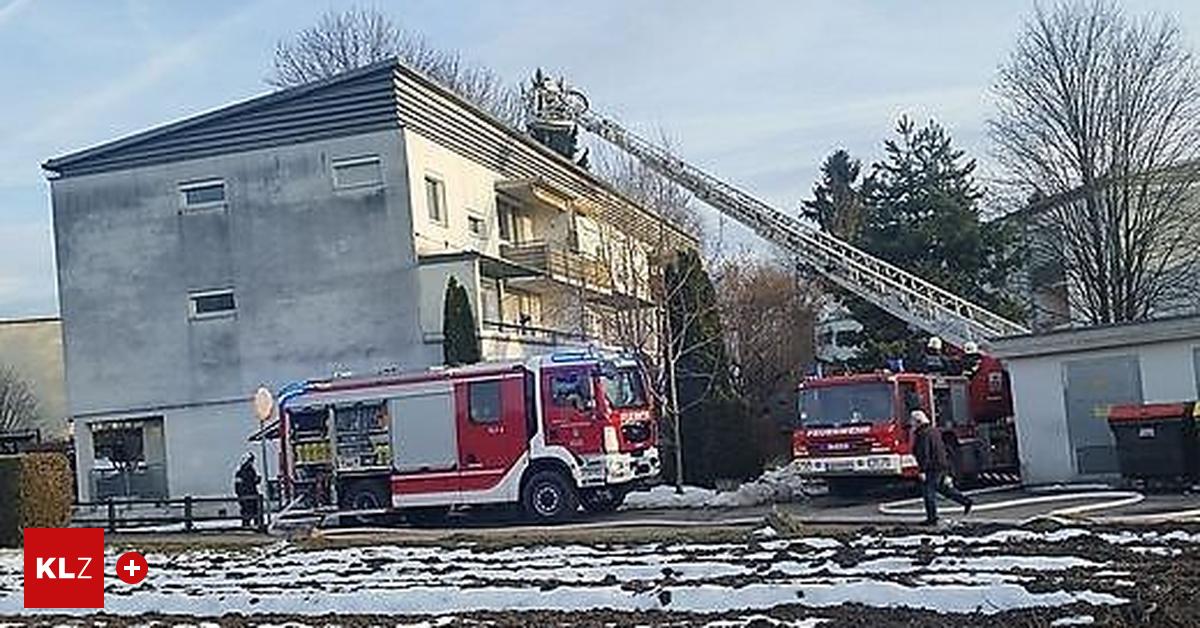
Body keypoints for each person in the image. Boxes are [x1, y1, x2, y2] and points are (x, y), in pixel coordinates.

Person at [911, 410, 972, 525]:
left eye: (913, 421)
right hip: (941, 465)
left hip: (931, 467)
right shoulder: (934, 431)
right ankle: (965, 501)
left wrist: (922, 470)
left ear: (918, 422)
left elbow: (924, 452)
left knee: (928, 492)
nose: (912, 424)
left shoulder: (922, 434)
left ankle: (932, 518)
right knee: (942, 489)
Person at [234, 452, 261, 529]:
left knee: (255, 509)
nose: (251, 463)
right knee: (246, 510)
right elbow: (238, 484)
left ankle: (256, 524)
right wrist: (240, 494)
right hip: (245, 494)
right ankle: (246, 524)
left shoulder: (251, 470)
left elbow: (253, 481)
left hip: (252, 493)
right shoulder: (241, 471)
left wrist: (257, 480)